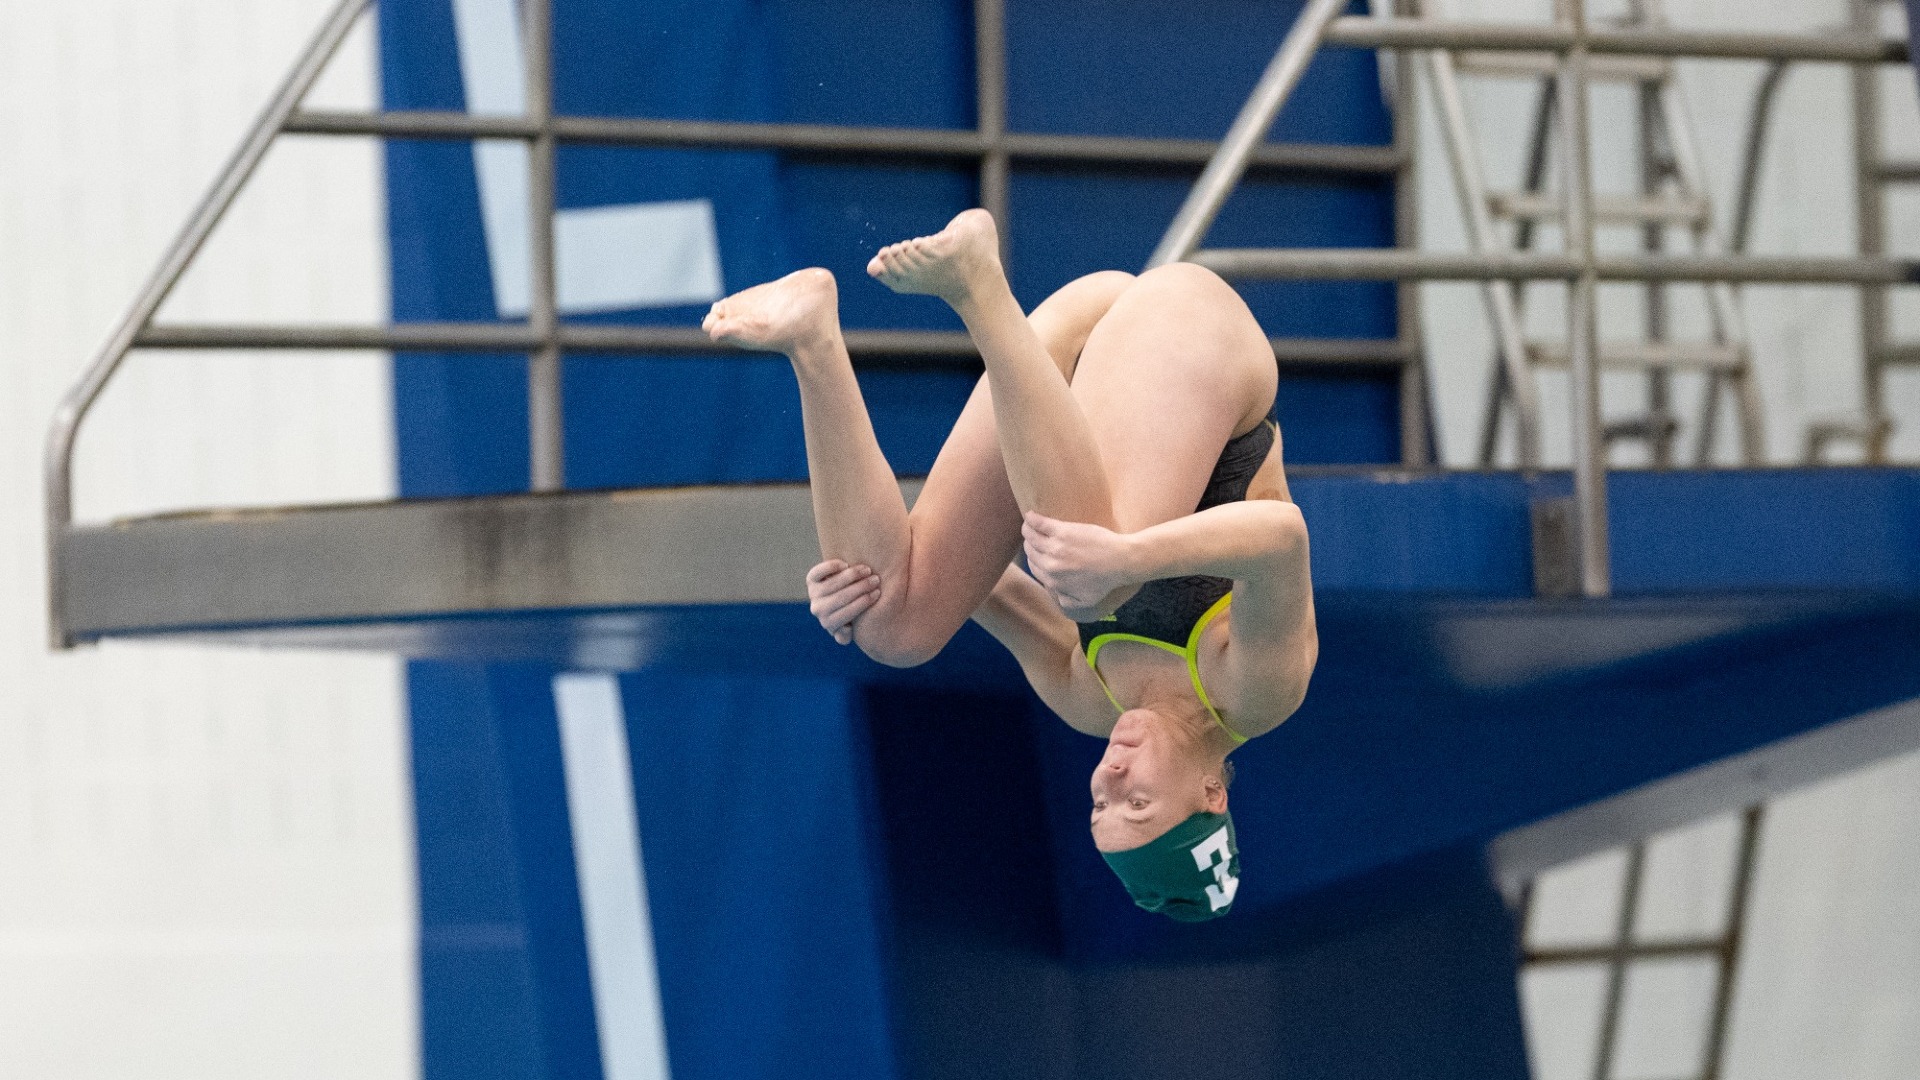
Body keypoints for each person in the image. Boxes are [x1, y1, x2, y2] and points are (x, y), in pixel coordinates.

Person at [703, 209, 1317, 921]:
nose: (1112, 773)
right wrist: (1127, 558)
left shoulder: (1089, 698)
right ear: (1212, 794)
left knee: (894, 628)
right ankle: (975, 284)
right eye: (1138, 800)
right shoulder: (1254, 692)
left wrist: (855, 580)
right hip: (1188, 324)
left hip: (1062, 355)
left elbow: (978, 579)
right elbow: (1282, 538)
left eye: (1101, 800)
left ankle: (811, 337)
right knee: (1089, 581)